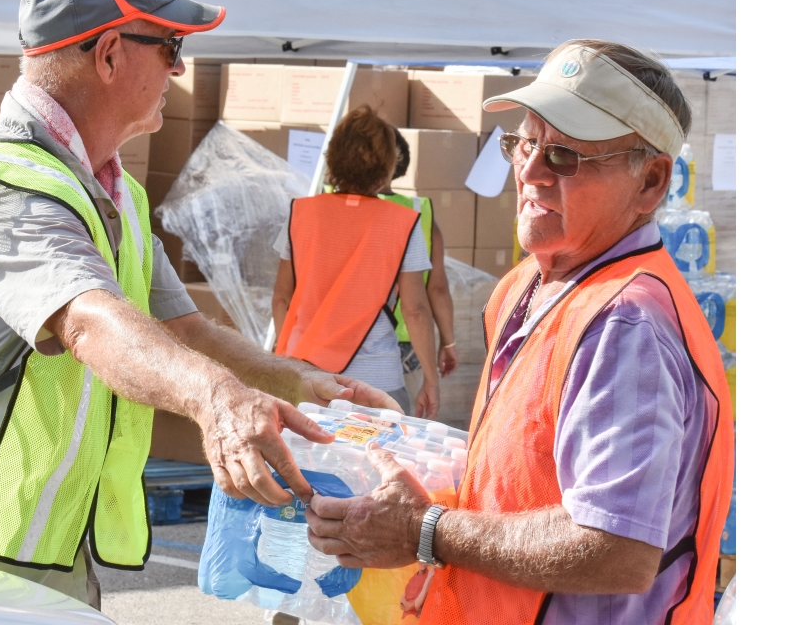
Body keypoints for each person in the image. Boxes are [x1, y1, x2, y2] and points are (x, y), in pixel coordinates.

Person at [0, 0, 396, 608]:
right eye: (172, 45)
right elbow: (91, 320)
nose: (181, 69)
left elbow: (184, 329)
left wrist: (300, 380)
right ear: (110, 54)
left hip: (28, 565)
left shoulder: (112, 193)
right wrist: (217, 400)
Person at [305, 40, 734, 624]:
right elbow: (527, 466)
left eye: (565, 156)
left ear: (651, 183)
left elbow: (616, 548)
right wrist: (403, 437)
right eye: (524, 142)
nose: (530, 172)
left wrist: (425, 530)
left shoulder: (626, 323)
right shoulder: (528, 284)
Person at [272, 106, 440, 418]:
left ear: (333, 157)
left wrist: (286, 362)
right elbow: (415, 311)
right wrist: (431, 380)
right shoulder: (403, 223)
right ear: (388, 164)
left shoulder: (301, 213)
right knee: (379, 464)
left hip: (308, 373)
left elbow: (282, 297)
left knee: (304, 465)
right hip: (376, 381)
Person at [379, 128, 459, 380]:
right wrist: (447, 343)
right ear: (398, 159)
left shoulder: (326, 205)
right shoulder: (418, 213)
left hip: (329, 341)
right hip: (402, 340)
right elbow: (437, 289)